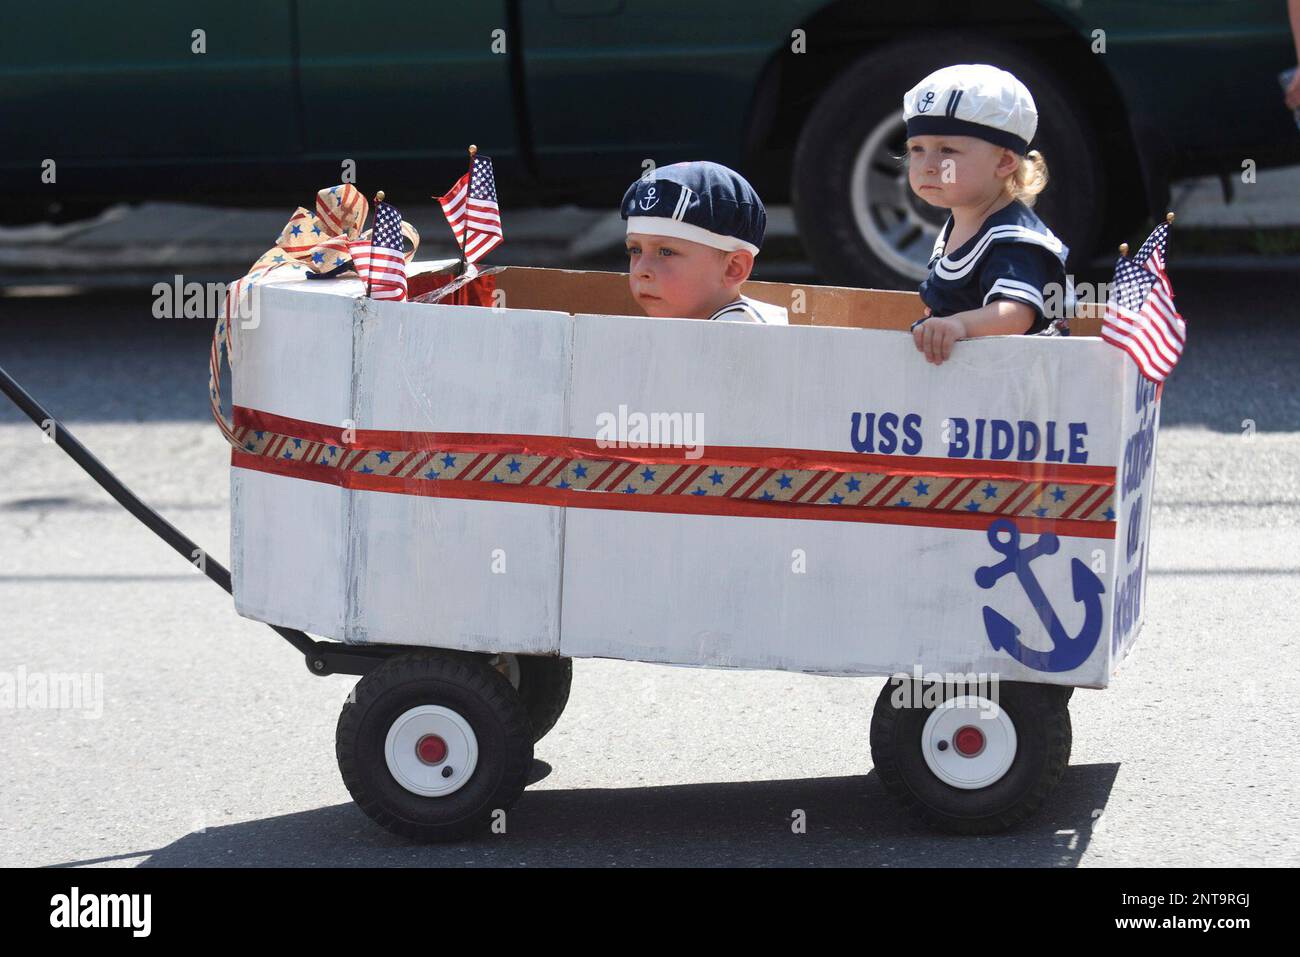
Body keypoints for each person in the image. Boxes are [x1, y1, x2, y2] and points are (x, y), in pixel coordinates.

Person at [904, 63, 1073, 365]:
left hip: (1014, 390)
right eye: (917, 148)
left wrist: (959, 326)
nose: (927, 165)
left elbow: (1016, 312)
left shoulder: (1013, 239)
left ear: (1005, 162)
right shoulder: (963, 220)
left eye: (947, 151)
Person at [620, 161, 788, 324]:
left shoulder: (739, 336)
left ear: (733, 268)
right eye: (635, 250)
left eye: (666, 252)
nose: (641, 270)